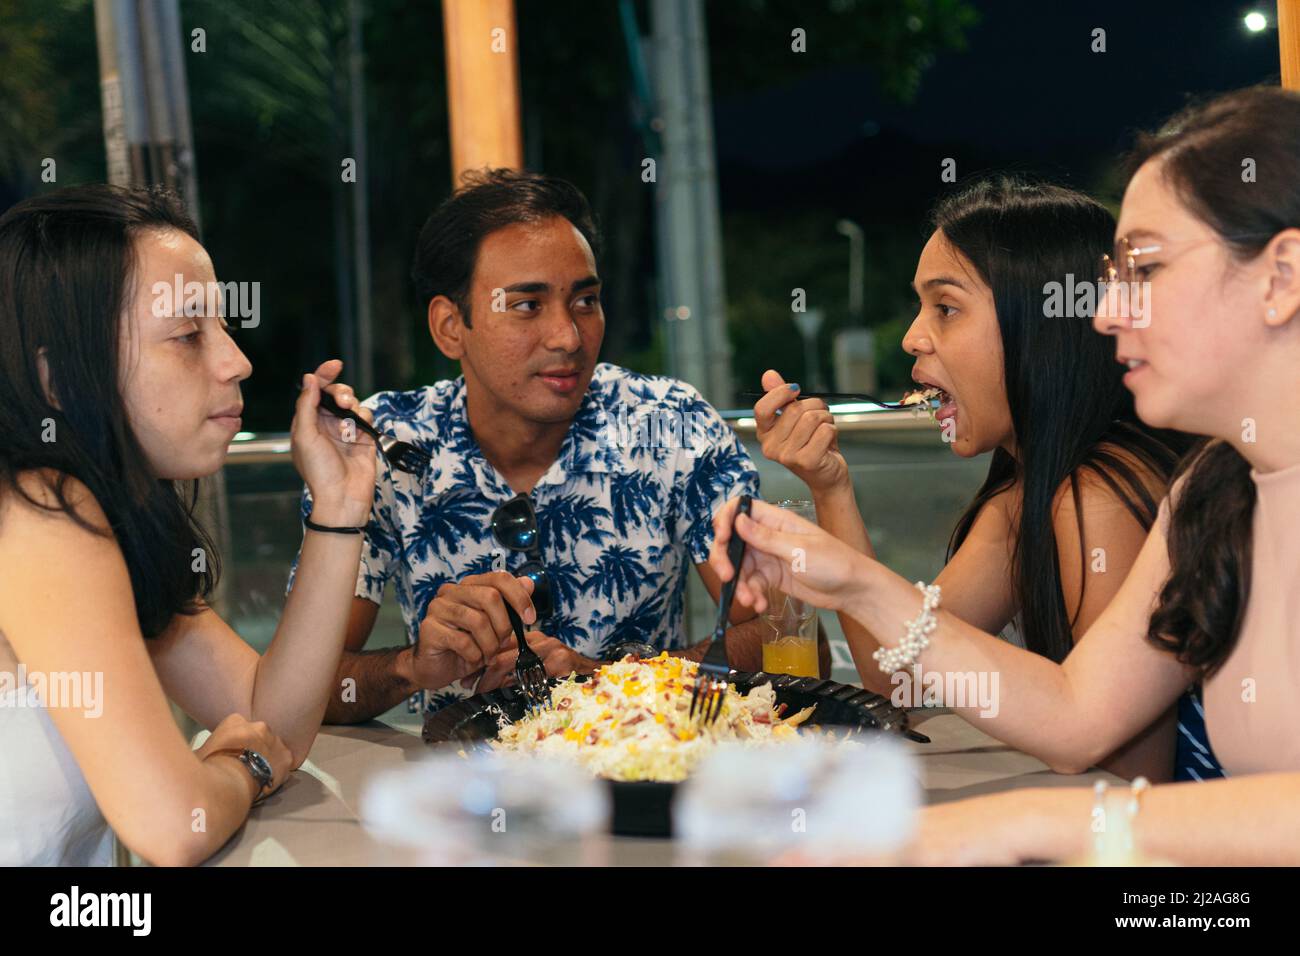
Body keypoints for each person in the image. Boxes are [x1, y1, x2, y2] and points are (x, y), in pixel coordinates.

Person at [710, 86, 1300, 865]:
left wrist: (1023, 823)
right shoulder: (1212, 490)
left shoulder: (1112, 490)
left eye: (1146, 269)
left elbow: (1113, 777)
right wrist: (847, 575)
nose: (1103, 312)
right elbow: (1078, 713)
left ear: (1282, 274)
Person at [297, 168, 796, 724]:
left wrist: (614, 684)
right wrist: (414, 668)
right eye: (527, 305)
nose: (568, 336)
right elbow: (306, 686)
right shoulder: (386, 446)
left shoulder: (669, 424)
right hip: (460, 789)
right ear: (449, 327)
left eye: (585, 300)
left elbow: (788, 638)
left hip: (641, 775)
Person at [753, 177, 1195, 781]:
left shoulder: (1097, 495)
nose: (912, 336)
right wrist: (831, 486)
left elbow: (1127, 780)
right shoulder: (1025, 494)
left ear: (1042, 327)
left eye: (946, 308)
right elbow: (897, 678)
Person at [0, 185, 376, 865]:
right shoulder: (39, 510)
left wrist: (339, 508)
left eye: (224, 327)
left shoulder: (110, 517)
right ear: (57, 380)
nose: (237, 361)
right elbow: (176, 825)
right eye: (187, 335)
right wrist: (244, 770)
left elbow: (271, 722)